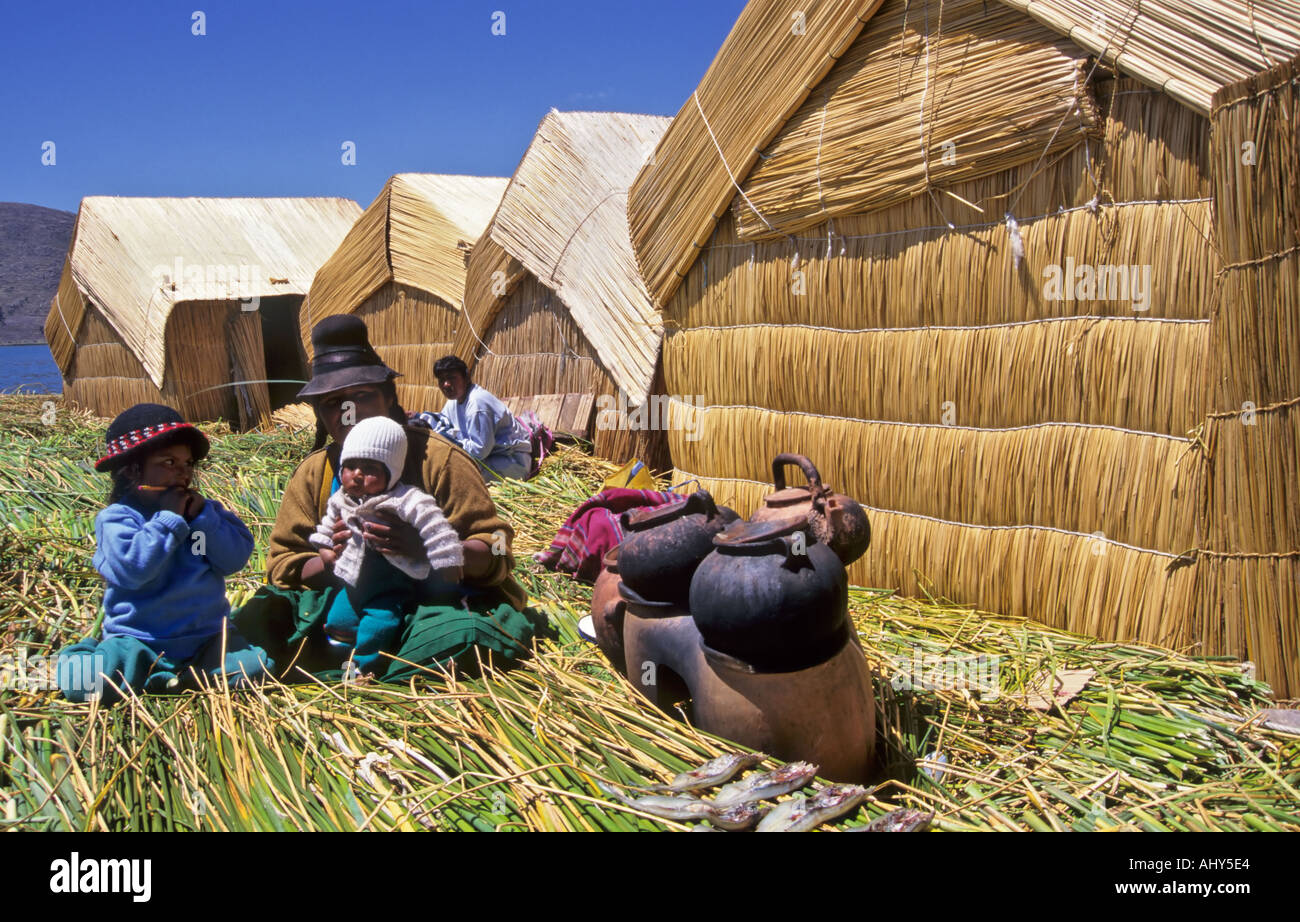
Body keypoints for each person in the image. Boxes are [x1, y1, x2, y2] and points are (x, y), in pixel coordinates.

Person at [235, 315, 540, 680]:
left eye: (362, 397)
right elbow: (282, 565)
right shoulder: (316, 473)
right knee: (260, 615)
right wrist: (330, 560)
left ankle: (361, 662)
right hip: (345, 602)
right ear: (319, 413)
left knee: (464, 634)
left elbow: (498, 549)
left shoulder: (438, 459)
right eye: (333, 403)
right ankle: (358, 657)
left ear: (389, 397)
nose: (348, 412)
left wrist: (430, 551)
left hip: (430, 604)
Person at [57, 404, 272, 703]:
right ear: (132, 470)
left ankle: (173, 678)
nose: (183, 471)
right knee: (86, 684)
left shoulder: (204, 513)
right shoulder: (119, 518)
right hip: (139, 642)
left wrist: (203, 521)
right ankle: (83, 650)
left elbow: (233, 560)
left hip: (206, 640)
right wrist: (169, 521)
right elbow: (134, 570)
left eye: (188, 462)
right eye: (169, 461)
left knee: (256, 669)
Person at [309, 416, 464, 673]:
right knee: (338, 620)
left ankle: (365, 668)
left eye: (370, 468)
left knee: (379, 624)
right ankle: (340, 655)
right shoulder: (341, 500)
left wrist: (447, 560)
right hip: (353, 583)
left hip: (390, 585)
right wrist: (327, 553)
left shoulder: (406, 500)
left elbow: (436, 528)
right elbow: (325, 529)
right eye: (351, 466)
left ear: (391, 472)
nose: (357, 475)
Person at [430, 355, 533, 482]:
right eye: (442, 380)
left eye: (452, 378)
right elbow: (443, 422)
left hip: (511, 462)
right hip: (490, 458)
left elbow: (479, 452)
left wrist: (451, 438)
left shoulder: (477, 404)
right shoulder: (454, 401)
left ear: (466, 377)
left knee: (456, 476)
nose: (446, 384)